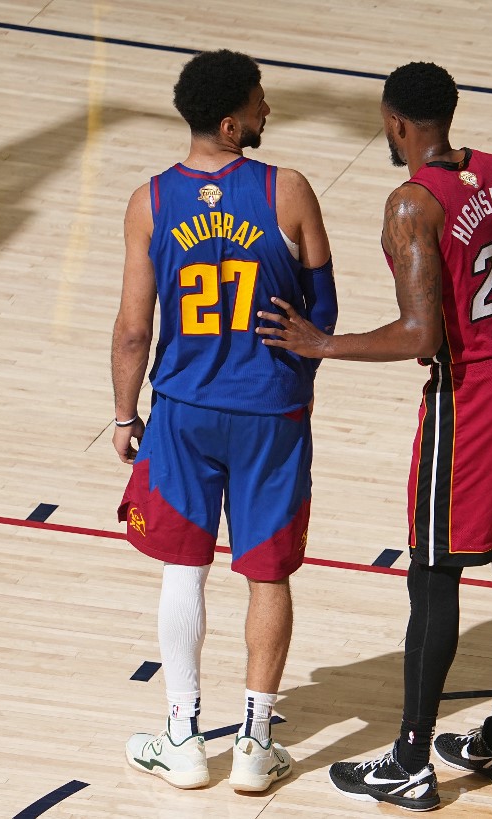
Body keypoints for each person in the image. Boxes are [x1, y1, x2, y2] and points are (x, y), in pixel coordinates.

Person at [257, 61, 492, 811]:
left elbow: (421, 334)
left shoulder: (409, 205)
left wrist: (319, 343)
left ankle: (411, 760)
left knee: (434, 574)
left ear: (396, 125)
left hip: (478, 393)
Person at [110, 49, 337, 792]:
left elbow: (134, 330)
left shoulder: (149, 201)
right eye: (261, 100)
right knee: (267, 573)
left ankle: (182, 738)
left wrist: (123, 413)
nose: (270, 110)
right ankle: (252, 743)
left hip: (182, 410)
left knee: (186, 566)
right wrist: (290, 377)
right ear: (233, 119)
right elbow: (323, 314)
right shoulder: (289, 190)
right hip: (270, 412)